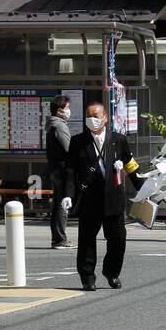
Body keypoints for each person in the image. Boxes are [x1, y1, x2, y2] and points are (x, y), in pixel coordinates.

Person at [62, 102, 138, 291]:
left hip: (114, 198)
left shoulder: (119, 140)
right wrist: (68, 195)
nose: (92, 120)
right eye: (88, 117)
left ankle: (112, 272)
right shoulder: (78, 141)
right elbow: (70, 171)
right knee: (87, 240)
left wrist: (143, 189)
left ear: (105, 117)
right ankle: (87, 277)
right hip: (89, 198)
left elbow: (131, 166)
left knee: (118, 239)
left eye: (96, 116)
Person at [46, 95, 73, 250]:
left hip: (54, 168)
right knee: (62, 204)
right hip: (61, 169)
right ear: (60, 110)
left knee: (58, 203)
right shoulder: (60, 126)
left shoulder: (52, 124)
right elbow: (68, 148)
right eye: (67, 107)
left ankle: (58, 238)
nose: (69, 110)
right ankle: (60, 239)